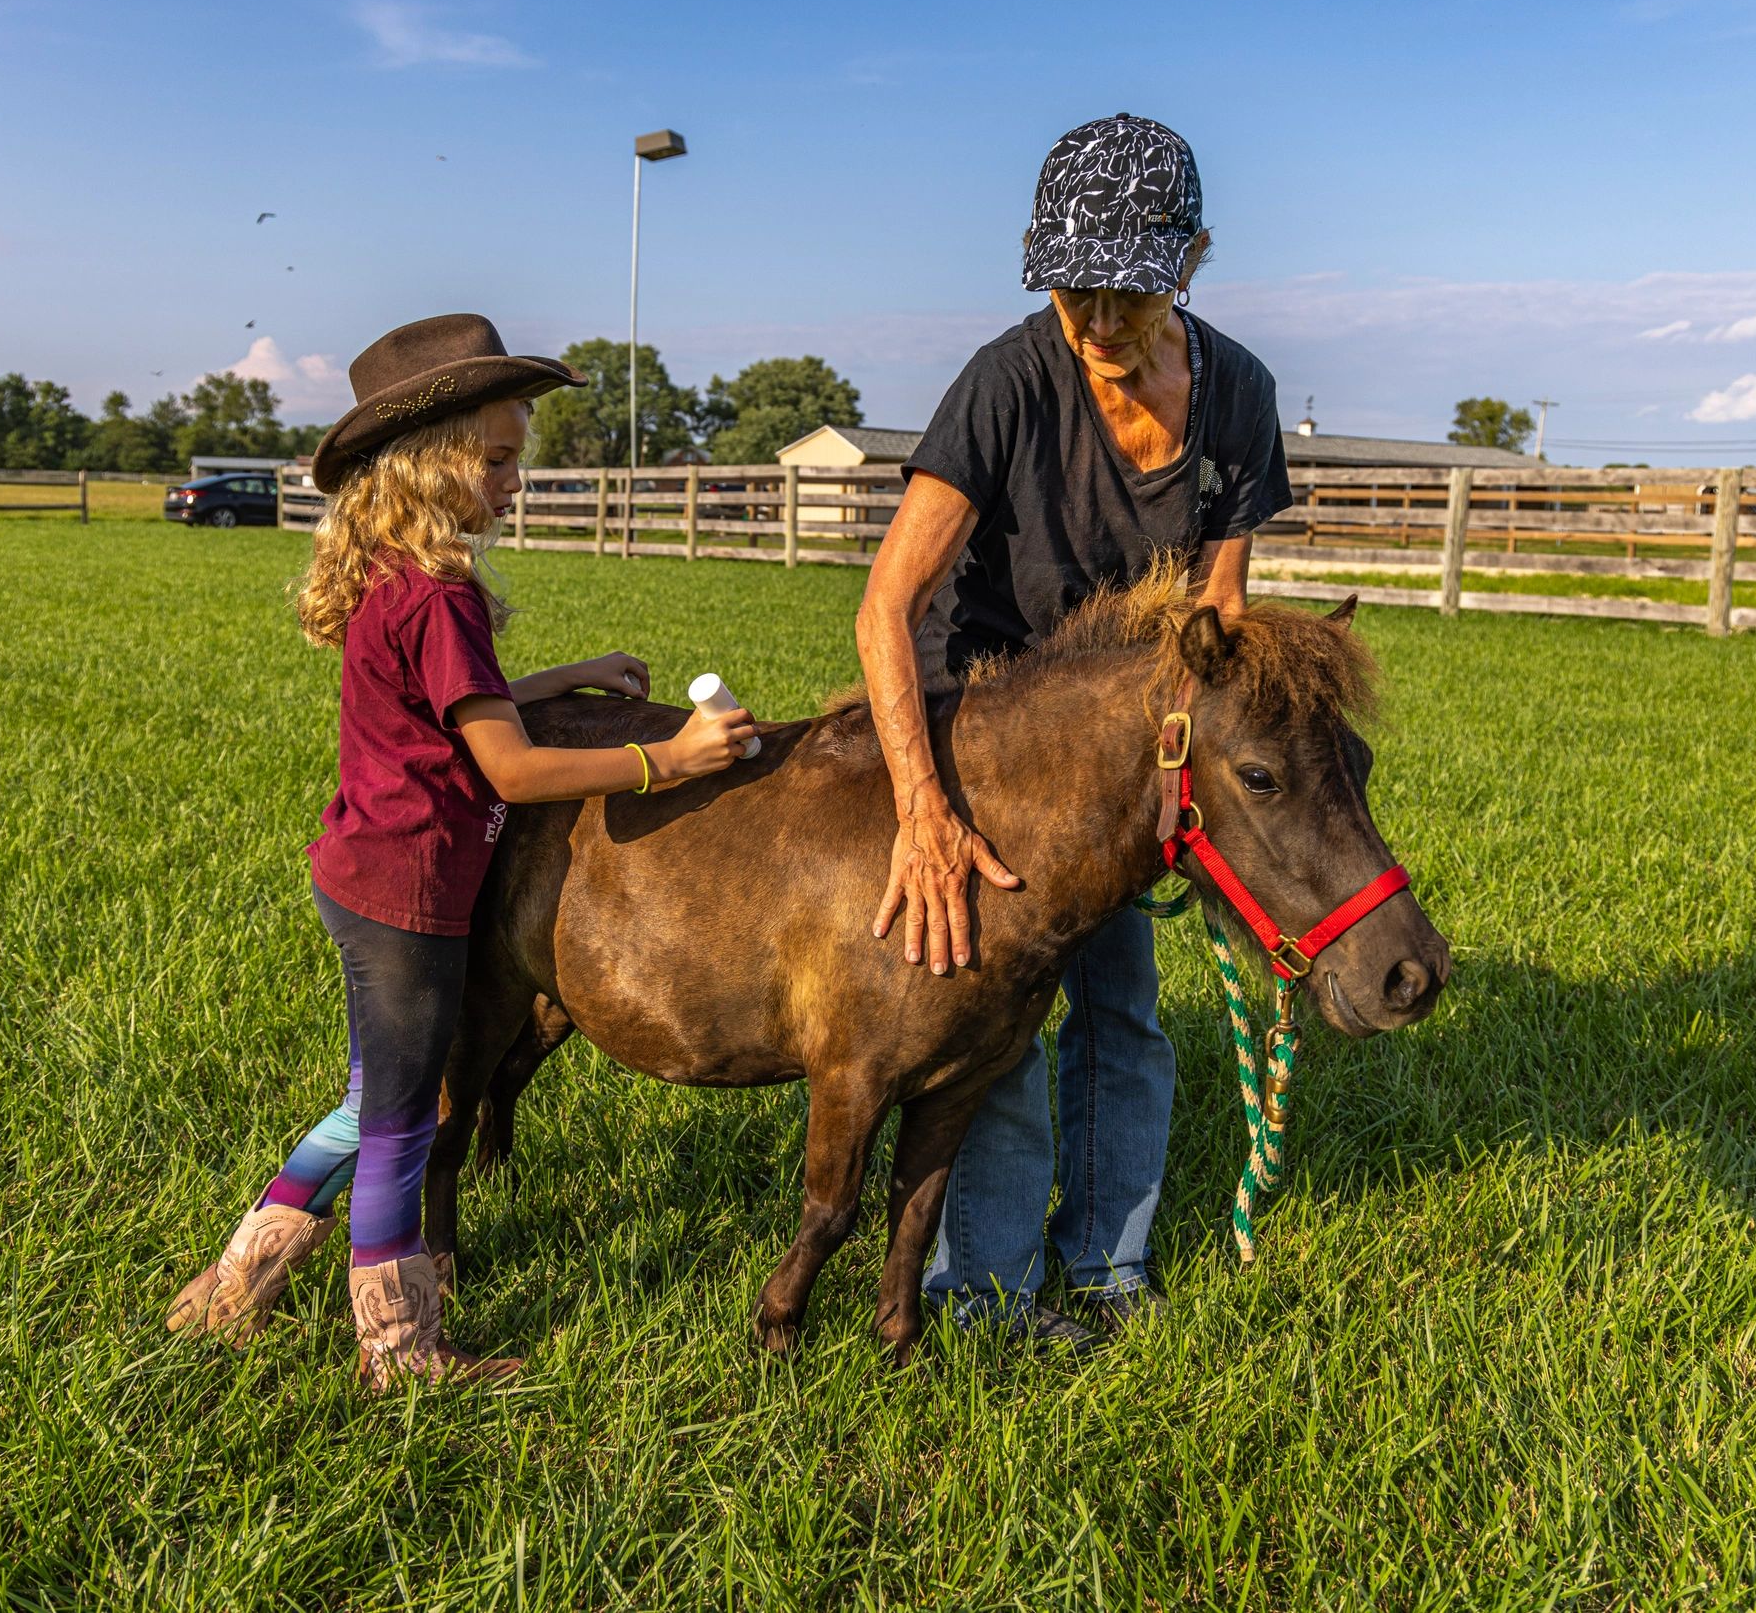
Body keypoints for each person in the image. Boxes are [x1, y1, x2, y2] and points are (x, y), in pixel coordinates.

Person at [164, 314, 757, 1390]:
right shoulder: (443, 595)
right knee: (400, 1123)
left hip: (362, 875)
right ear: (433, 466)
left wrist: (560, 675)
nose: (514, 479)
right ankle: (401, 1350)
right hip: (410, 896)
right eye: (496, 459)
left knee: (365, 1104)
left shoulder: (394, 578)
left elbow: (446, 705)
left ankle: (230, 1292)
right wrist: (667, 757)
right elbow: (512, 772)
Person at [855, 115, 1292, 1348]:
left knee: (1122, 1002)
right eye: (1072, 287)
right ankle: (984, 1291)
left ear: (1190, 261)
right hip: (988, 723)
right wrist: (923, 812)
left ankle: (1107, 1263)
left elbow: (1219, 618)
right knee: (998, 1018)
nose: (1098, 320)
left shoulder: (1239, 396)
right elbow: (885, 605)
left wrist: (1202, 794)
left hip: (1129, 735)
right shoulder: (1005, 383)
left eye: (1130, 290)